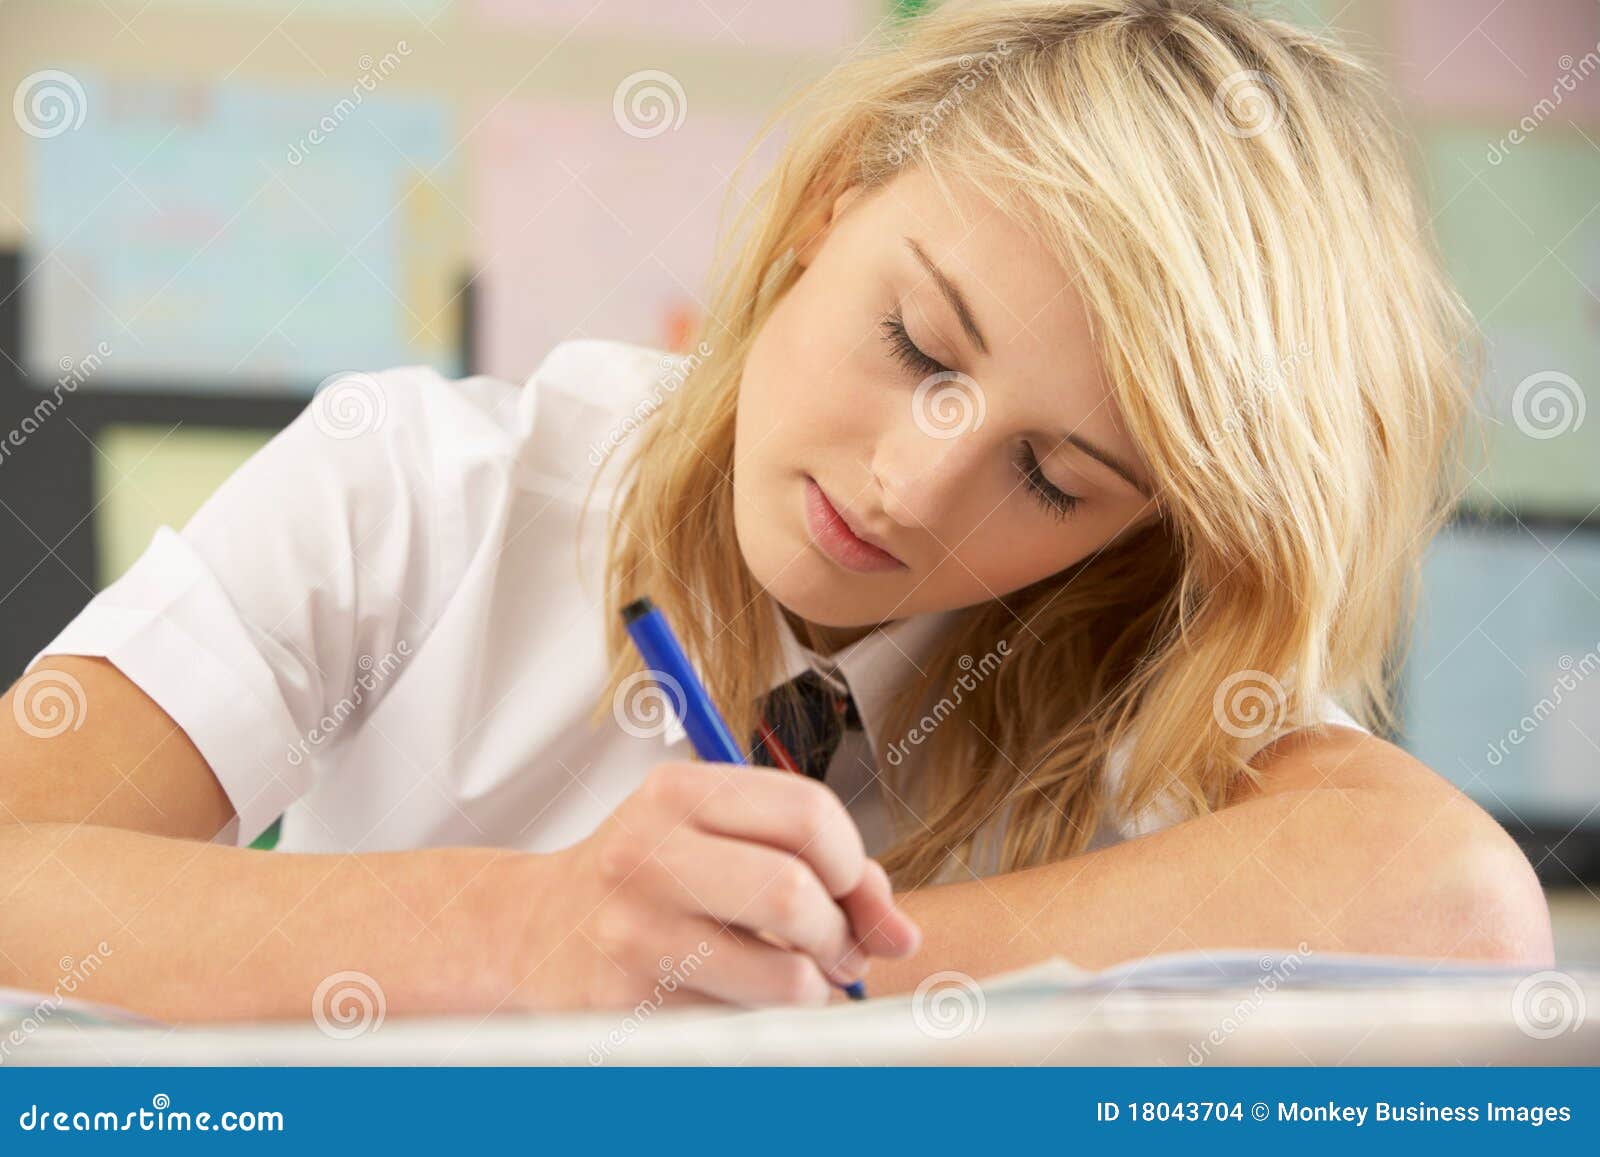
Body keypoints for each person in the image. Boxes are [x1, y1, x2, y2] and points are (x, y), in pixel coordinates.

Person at [0, 0, 1552, 1024]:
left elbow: (1463, 902)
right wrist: (523, 936)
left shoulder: (1148, 650)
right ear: (837, 202)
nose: (907, 486)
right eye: (917, 344)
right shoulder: (415, 491)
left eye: (1054, 476)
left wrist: (796, 996)